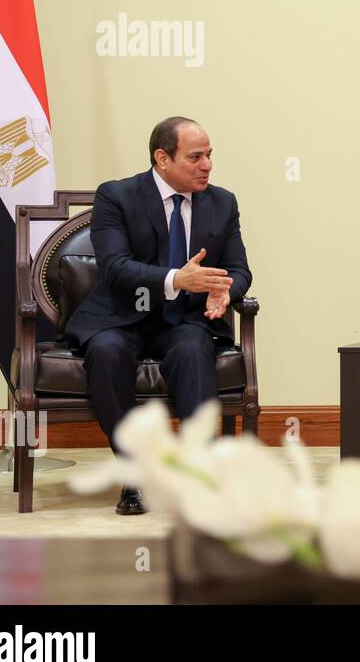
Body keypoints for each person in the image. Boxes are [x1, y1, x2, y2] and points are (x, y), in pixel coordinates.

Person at [66, 117, 251, 515]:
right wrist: (176, 278)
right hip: (121, 315)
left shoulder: (222, 203)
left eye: (209, 155)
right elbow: (115, 267)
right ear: (162, 158)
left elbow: (239, 270)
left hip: (184, 320)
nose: (207, 165)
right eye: (196, 156)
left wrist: (224, 292)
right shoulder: (116, 197)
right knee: (108, 352)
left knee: (192, 348)